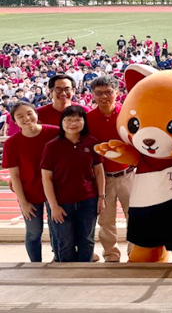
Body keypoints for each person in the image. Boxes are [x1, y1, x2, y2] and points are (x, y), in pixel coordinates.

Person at [40, 105, 105, 262]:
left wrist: (101, 197)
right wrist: (53, 206)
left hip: (88, 200)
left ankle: (84, 276)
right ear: (62, 122)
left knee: (87, 241)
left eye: (78, 119)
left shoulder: (91, 143)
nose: (73, 123)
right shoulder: (52, 146)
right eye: (69, 119)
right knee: (65, 243)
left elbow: (98, 172)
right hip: (62, 203)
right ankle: (66, 278)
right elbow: (46, 178)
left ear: (84, 122)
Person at [1, 102, 59, 262]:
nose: (26, 118)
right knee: (34, 232)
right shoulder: (12, 143)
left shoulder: (55, 133)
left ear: (36, 113)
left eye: (29, 113)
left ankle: (59, 260)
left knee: (58, 230)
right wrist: (23, 201)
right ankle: (36, 264)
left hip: (56, 192)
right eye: (20, 116)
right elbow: (15, 176)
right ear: (14, 121)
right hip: (30, 192)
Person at [86, 75, 132, 263]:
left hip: (128, 174)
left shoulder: (127, 115)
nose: (104, 97)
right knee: (105, 221)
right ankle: (111, 255)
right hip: (101, 178)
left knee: (135, 216)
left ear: (117, 93)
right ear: (92, 95)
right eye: (99, 93)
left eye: (108, 92)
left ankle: (135, 253)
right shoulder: (87, 119)